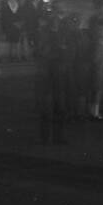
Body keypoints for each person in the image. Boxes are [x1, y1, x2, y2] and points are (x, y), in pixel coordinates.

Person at [34, 10, 68, 145]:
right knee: (51, 107)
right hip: (50, 72)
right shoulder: (51, 34)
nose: (56, 23)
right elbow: (43, 51)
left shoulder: (50, 34)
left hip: (52, 72)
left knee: (55, 106)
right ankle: (51, 137)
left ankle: (51, 137)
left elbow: (42, 51)